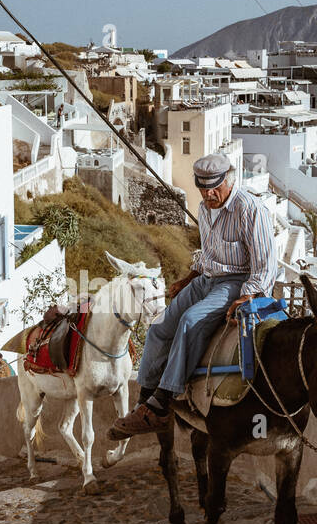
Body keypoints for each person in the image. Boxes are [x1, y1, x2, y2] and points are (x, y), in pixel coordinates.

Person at [108, 153, 277, 438]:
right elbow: (208, 254)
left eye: (215, 187)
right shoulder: (204, 207)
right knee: (159, 327)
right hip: (206, 279)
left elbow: (265, 265)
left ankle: (162, 404)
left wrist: (248, 295)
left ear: (229, 180)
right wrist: (189, 277)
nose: (209, 194)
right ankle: (144, 402)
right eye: (203, 188)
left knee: (190, 321)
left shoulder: (250, 209)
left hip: (236, 282)